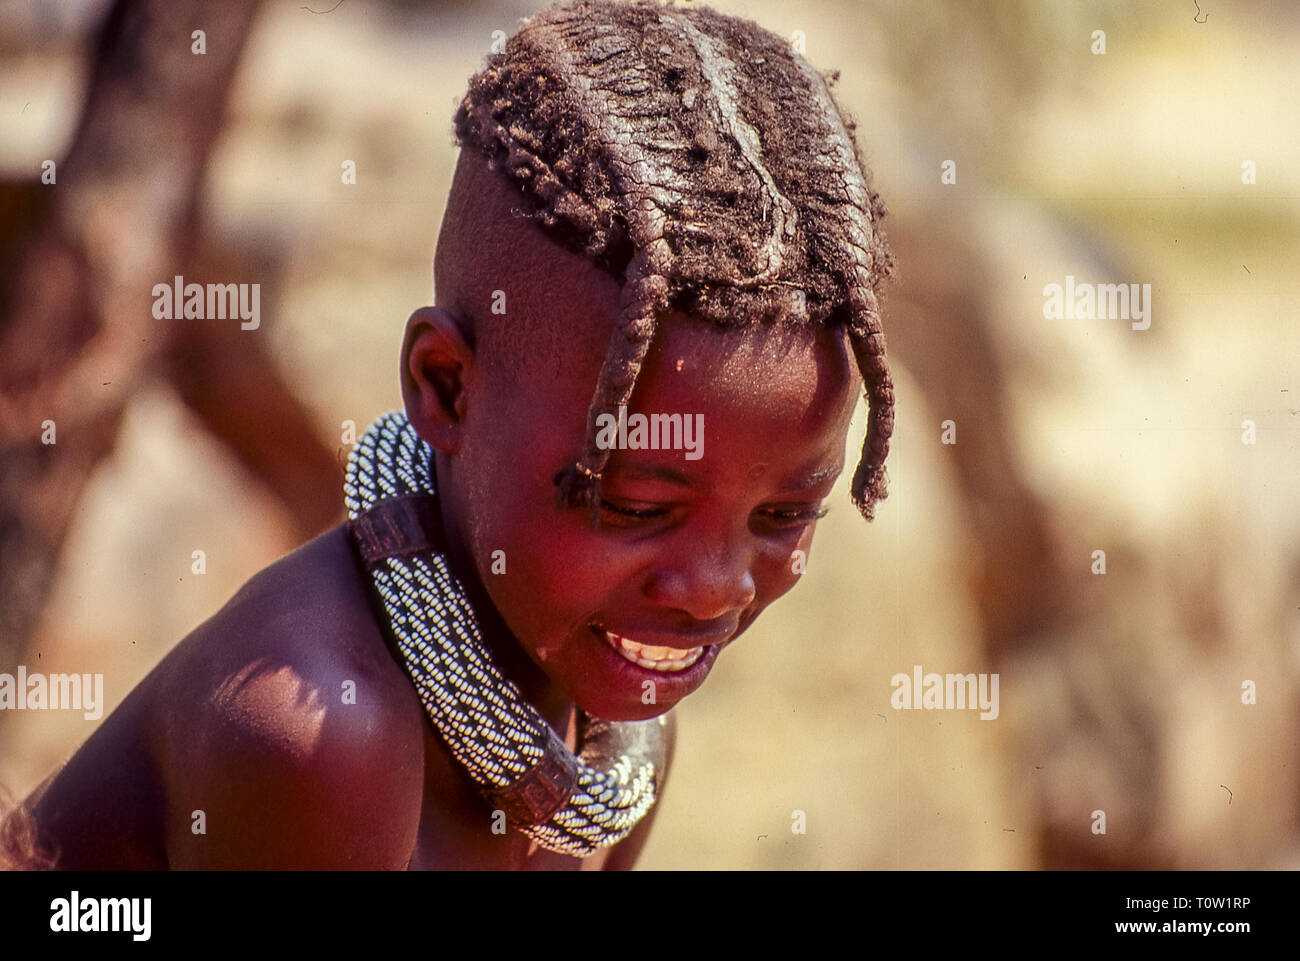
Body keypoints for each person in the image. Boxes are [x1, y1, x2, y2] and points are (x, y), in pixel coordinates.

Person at [2, 0, 896, 870]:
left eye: (785, 514)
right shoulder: (323, 736)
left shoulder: (618, 744)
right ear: (445, 388)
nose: (713, 590)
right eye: (635, 505)